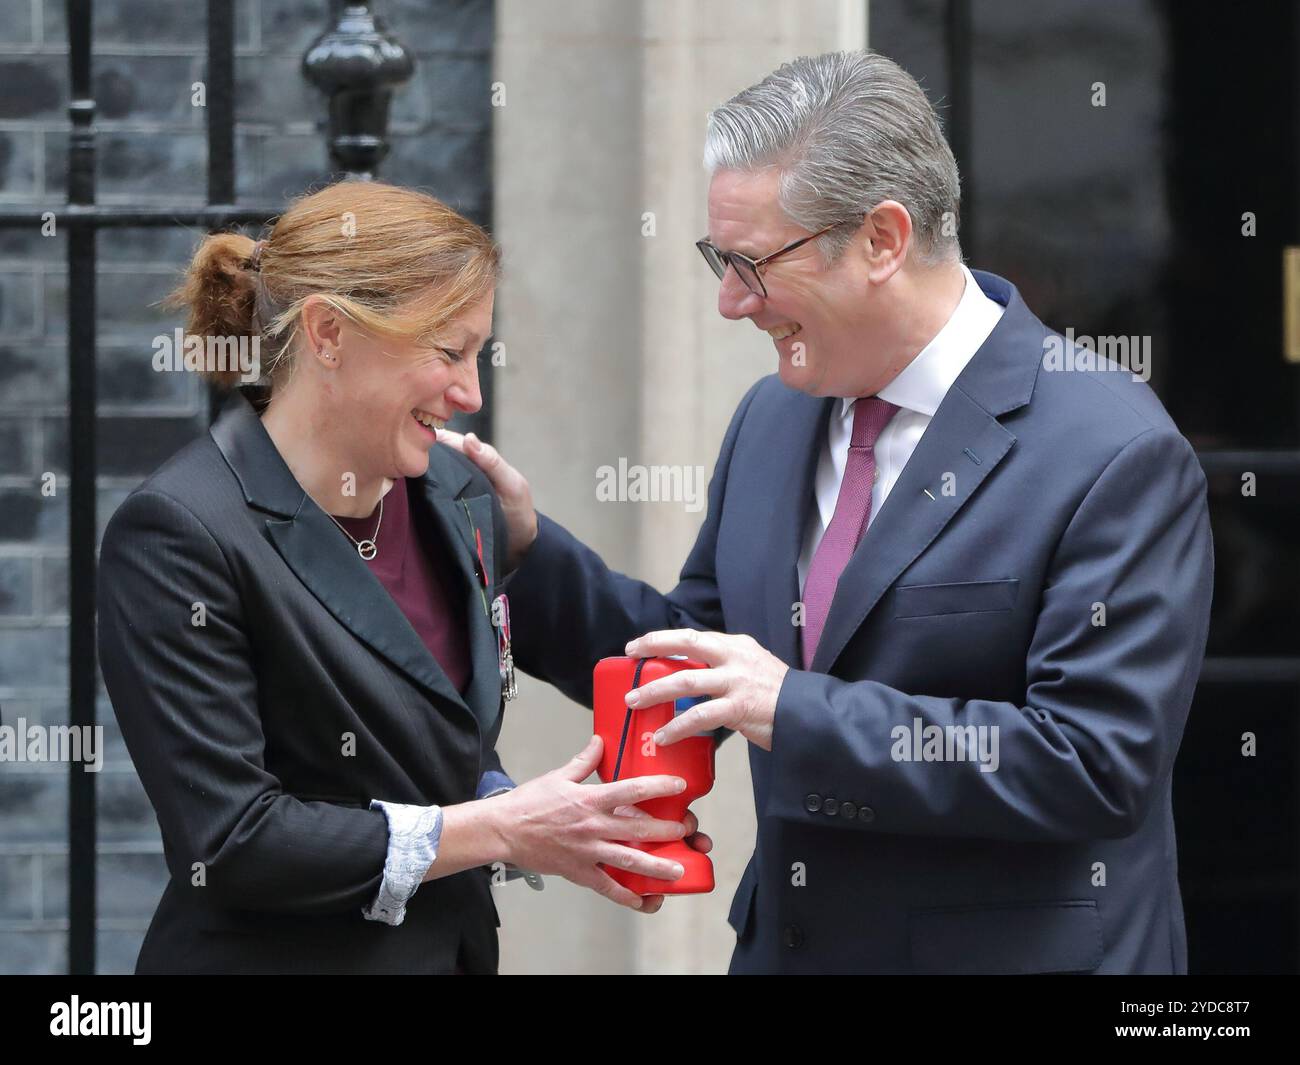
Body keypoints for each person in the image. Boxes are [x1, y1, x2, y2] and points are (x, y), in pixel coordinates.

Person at [444, 50, 1215, 974]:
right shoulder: (777, 413)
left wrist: (798, 710)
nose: (730, 303)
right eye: (718, 261)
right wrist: (526, 552)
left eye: (752, 263)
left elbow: (1095, 762)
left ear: (883, 240)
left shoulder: (1111, 448)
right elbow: (704, 655)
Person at [97, 181, 705, 975]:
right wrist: (507, 828)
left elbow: (432, 749)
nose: (471, 392)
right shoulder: (180, 531)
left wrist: (565, 825)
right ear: (328, 333)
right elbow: (234, 839)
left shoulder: (456, 495)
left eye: (478, 352)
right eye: (448, 351)